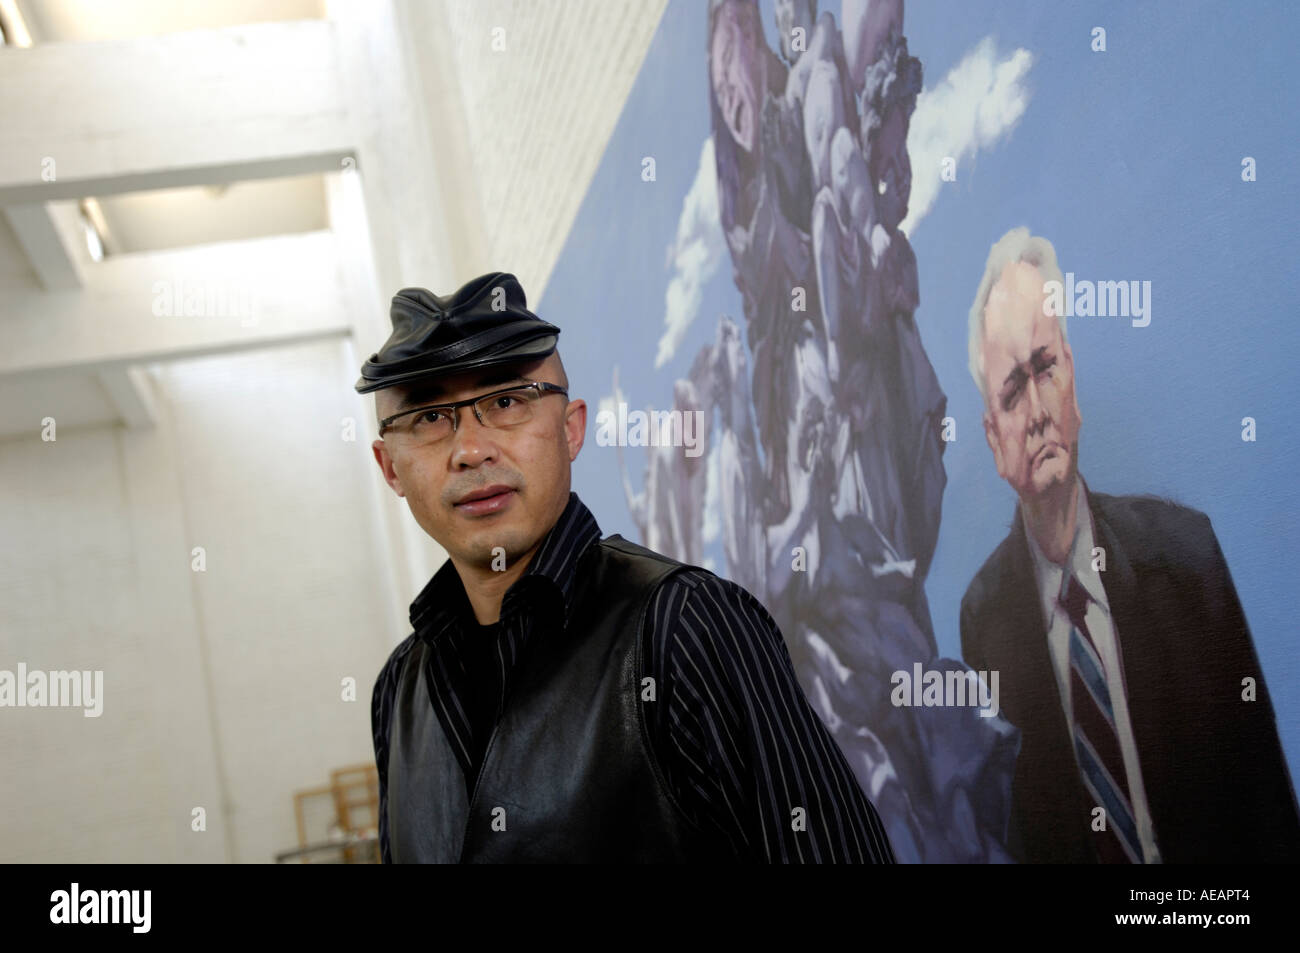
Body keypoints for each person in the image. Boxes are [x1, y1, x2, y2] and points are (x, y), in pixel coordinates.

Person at [355, 271, 895, 863]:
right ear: (389, 467)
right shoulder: (398, 692)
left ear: (571, 428)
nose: (471, 449)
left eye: (506, 401)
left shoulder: (684, 624)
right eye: (430, 418)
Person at [960, 227, 1300, 863]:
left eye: (1045, 369)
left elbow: (1266, 808)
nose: (1035, 409)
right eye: (1011, 391)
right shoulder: (984, 619)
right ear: (992, 437)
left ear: (1072, 379)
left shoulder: (1187, 556)